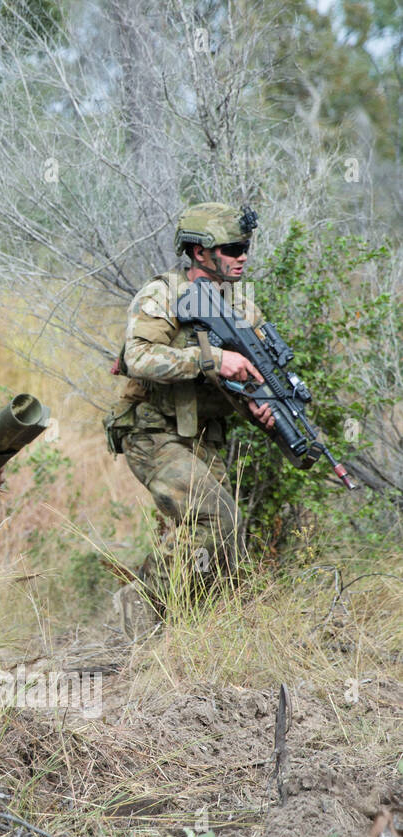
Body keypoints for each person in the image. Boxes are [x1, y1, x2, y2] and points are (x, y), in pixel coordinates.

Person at [106, 202, 275, 636]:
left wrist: (262, 403)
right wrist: (213, 359)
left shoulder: (243, 307)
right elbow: (138, 357)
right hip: (153, 432)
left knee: (219, 544)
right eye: (232, 247)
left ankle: (182, 632)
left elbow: (250, 379)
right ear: (200, 253)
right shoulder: (163, 294)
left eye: (245, 247)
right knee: (218, 518)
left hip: (205, 436)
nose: (242, 256)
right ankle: (140, 605)